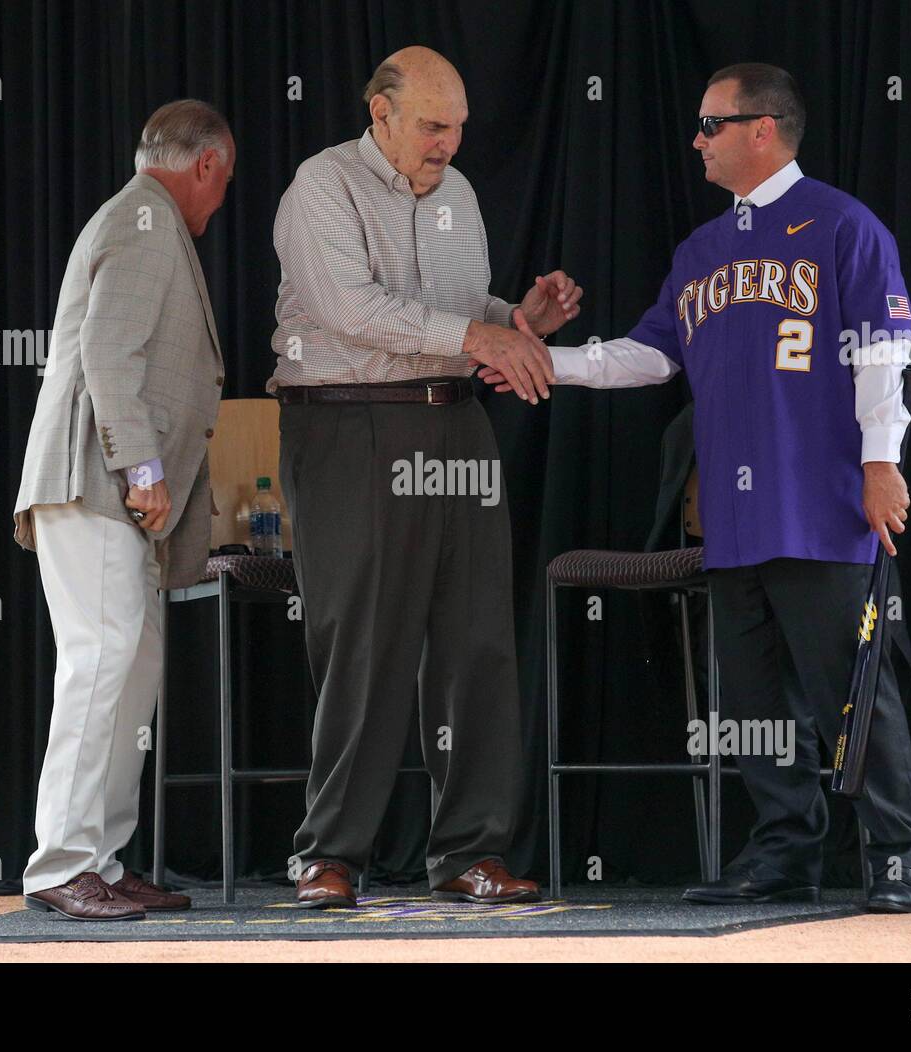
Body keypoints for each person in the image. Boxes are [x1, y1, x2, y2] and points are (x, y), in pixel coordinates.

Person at [478, 63, 911, 913]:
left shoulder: (845, 225)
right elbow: (650, 356)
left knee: (853, 685)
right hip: (733, 513)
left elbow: (881, 350)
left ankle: (898, 850)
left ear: (763, 129)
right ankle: (783, 853)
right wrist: (550, 362)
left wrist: (881, 463)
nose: (697, 140)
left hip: (825, 503)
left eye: (711, 125)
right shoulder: (700, 251)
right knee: (758, 703)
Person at [268, 46, 581, 908]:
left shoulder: (460, 196)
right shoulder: (322, 186)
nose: (448, 144)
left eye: (458, 129)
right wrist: (483, 339)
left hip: (456, 425)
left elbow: (456, 308)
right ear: (381, 114)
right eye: (432, 126)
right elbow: (353, 311)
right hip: (351, 423)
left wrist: (515, 316)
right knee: (366, 640)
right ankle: (329, 854)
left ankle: (471, 852)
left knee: (478, 636)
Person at [12, 99, 235, 920]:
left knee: (127, 675)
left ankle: (98, 858)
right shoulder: (146, 216)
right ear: (206, 163)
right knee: (101, 666)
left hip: (114, 493)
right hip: (99, 481)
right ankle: (60, 863)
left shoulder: (147, 220)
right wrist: (142, 467)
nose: (221, 199)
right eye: (225, 180)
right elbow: (110, 349)